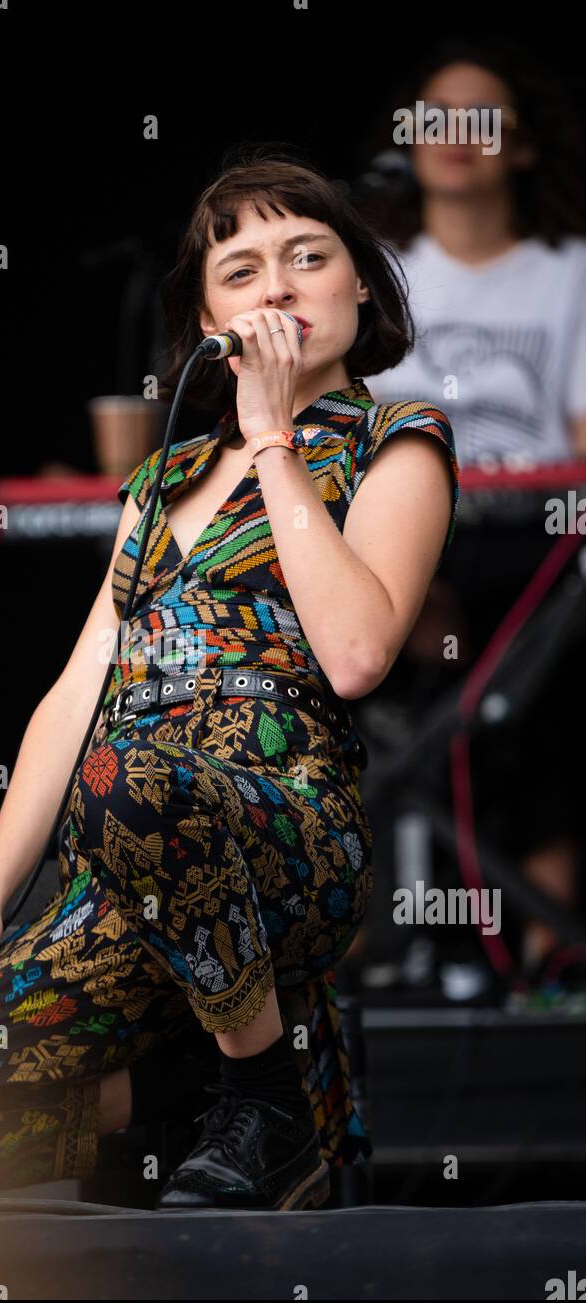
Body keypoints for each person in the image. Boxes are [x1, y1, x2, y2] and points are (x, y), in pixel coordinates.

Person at [0, 144, 458, 1214]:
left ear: (360, 286)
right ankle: (188, 1085)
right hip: (129, 851)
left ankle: (266, 1100)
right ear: (204, 323)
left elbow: (358, 654)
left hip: (282, 832)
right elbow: (72, 693)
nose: (277, 284)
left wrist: (273, 439)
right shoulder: (159, 484)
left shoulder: (395, 441)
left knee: (132, 772)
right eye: (240, 271)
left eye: (307, 256)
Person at [359, 41, 586, 988]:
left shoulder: (567, 270)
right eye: (432, 118)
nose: (452, 139)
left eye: (478, 118)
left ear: (522, 148)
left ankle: (542, 948)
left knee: (548, 675)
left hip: (530, 541)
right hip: (393, 532)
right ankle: (379, 951)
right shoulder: (365, 265)